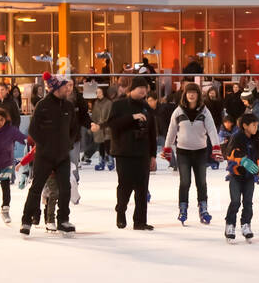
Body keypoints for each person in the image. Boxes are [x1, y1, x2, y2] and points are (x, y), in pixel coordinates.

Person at [19, 74, 79, 235]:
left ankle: (63, 220)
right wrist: (44, 145)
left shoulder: (68, 106)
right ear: (55, 88)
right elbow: (33, 130)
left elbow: (74, 128)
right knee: (36, 188)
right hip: (44, 155)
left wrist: (68, 143)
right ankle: (26, 221)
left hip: (62, 156)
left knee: (65, 188)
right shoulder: (42, 105)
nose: (68, 88)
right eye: (64, 86)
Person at [162, 82, 221, 224]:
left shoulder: (204, 111)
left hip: (200, 151)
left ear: (198, 94)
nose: (191, 95)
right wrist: (167, 148)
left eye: (194, 92)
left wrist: (216, 147)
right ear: (185, 94)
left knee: (201, 182)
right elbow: (171, 131)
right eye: (189, 92)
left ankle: (204, 209)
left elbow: (212, 129)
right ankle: (183, 209)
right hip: (183, 152)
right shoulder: (178, 111)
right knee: (185, 182)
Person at [108, 76, 157, 231]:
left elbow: (152, 133)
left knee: (142, 188)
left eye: (145, 88)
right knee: (125, 186)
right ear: (132, 88)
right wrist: (132, 118)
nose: (143, 90)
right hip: (124, 152)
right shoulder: (119, 105)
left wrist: (153, 155)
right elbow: (113, 125)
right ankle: (120, 211)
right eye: (140, 87)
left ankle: (140, 221)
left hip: (142, 152)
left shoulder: (147, 107)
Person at [223, 110, 259, 241]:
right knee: (235, 202)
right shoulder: (236, 137)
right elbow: (229, 153)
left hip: (250, 177)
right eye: (253, 125)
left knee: (248, 203)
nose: (256, 127)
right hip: (236, 176)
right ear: (245, 126)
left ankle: (246, 224)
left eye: (257, 125)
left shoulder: (257, 139)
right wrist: (242, 160)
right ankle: (230, 224)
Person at [90, 87, 115, 170]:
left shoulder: (108, 103)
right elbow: (94, 115)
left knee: (108, 144)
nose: (98, 94)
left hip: (107, 127)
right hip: (98, 127)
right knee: (101, 144)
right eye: (97, 92)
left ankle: (110, 161)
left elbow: (110, 115)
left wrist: (105, 122)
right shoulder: (96, 103)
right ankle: (101, 161)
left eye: (99, 92)